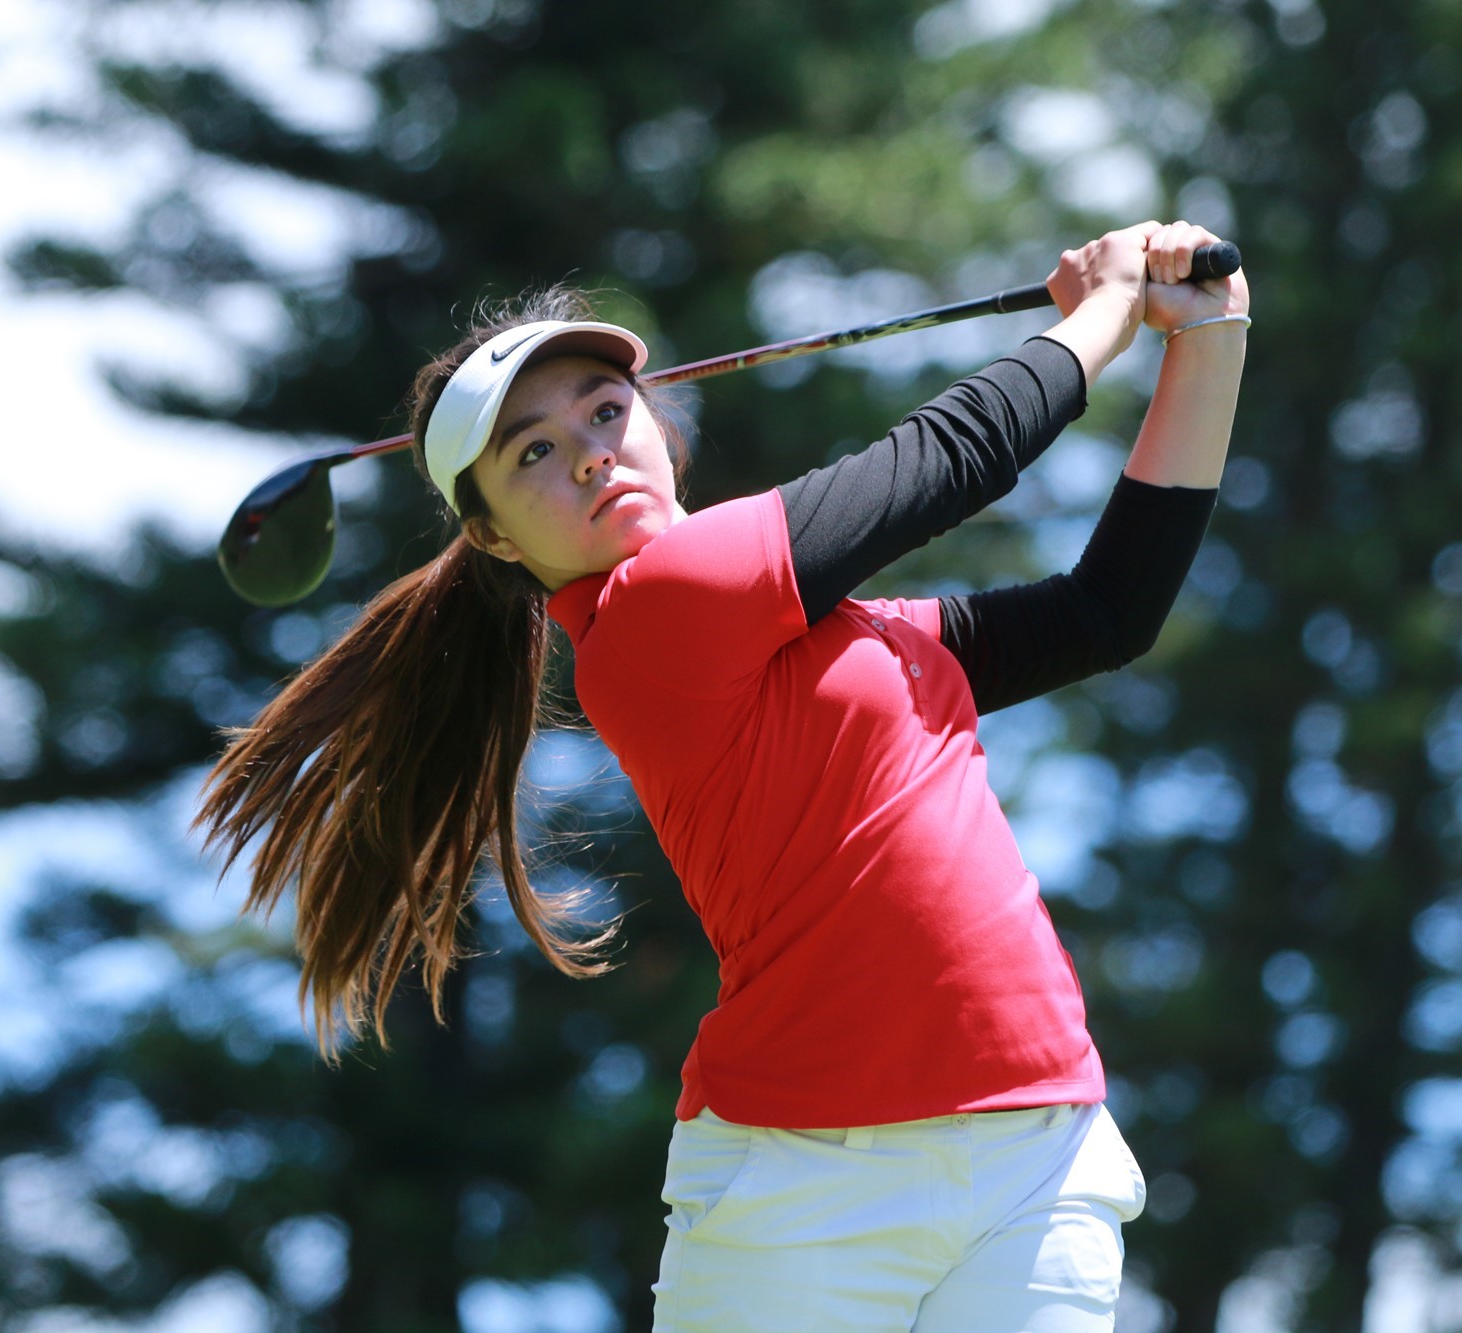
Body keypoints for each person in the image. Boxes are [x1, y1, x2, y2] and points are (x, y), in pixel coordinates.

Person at [197, 220, 1248, 1330]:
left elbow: (1105, 614)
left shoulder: (867, 635)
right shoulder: (652, 613)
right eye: (531, 454)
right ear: (496, 539)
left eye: (604, 412)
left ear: (659, 425)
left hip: (1035, 1154)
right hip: (799, 1192)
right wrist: (1103, 311)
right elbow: (945, 461)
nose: (589, 454)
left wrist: (1209, 340)